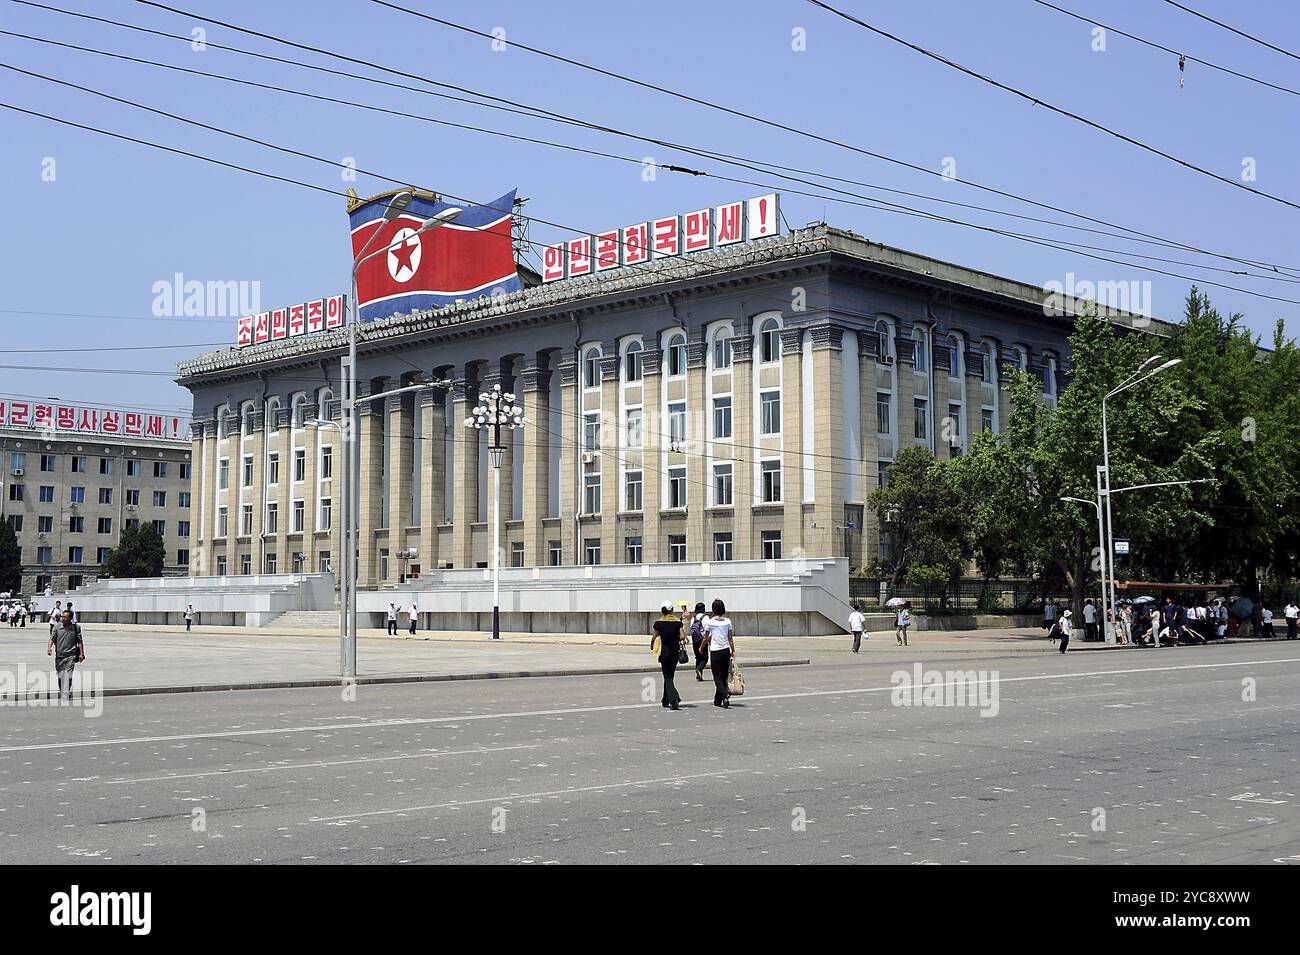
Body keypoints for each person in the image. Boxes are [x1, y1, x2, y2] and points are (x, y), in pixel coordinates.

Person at [47, 609, 85, 703]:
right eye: (62, 616)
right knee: (61, 676)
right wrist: (49, 648)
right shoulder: (56, 627)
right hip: (59, 656)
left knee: (68, 675)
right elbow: (51, 639)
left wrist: (81, 653)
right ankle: (63, 691)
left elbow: (80, 641)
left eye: (65, 617)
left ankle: (65, 694)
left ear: (70, 618)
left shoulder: (76, 628)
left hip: (71, 656)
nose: (62, 618)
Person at [652, 602, 683, 710]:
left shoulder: (658, 623)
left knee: (667, 676)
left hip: (664, 652)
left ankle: (674, 699)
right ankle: (665, 700)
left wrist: (652, 646)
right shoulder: (677, 622)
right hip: (675, 652)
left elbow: (654, 637)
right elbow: (683, 636)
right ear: (671, 610)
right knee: (670, 676)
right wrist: (675, 638)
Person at [704, 599, 735, 708]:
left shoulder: (710, 621)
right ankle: (718, 700)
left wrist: (701, 647)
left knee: (717, 677)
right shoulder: (728, 621)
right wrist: (733, 650)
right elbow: (730, 638)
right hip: (726, 650)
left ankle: (725, 693)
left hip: (715, 651)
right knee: (723, 676)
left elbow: (706, 637)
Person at [689, 601, 708, 681]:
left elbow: (691, 629)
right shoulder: (705, 617)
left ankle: (699, 676)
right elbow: (707, 630)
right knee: (705, 658)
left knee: (698, 657)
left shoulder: (693, 618)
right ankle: (699, 669)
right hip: (702, 640)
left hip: (694, 640)